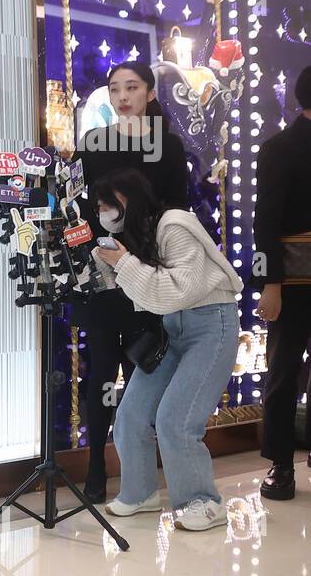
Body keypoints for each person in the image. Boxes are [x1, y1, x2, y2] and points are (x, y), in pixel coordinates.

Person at [92, 168, 242, 531]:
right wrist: (108, 267)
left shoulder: (174, 225)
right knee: (129, 414)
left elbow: (175, 290)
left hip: (211, 326)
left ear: (128, 197)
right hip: (174, 330)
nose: (103, 212)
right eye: (98, 207)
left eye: (107, 204)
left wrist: (124, 264)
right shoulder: (139, 235)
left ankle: (203, 501)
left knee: (176, 419)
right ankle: (140, 492)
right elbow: (149, 297)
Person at [71, 61, 191, 502]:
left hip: (151, 272)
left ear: (149, 93)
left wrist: (154, 256)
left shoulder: (170, 147)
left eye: (132, 87)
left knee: (146, 368)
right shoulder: (93, 145)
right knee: (102, 371)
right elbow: (79, 207)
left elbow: (179, 208)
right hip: (104, 273)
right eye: (115, 88)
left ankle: (139, 471)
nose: (123, 96)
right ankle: (97, 468)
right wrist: (96, 251)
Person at [252, 65, 311, 501]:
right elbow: (265, 223)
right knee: (283, 370)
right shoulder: (279, 148)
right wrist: (269, 283)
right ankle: (280, 464)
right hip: (291, 279)